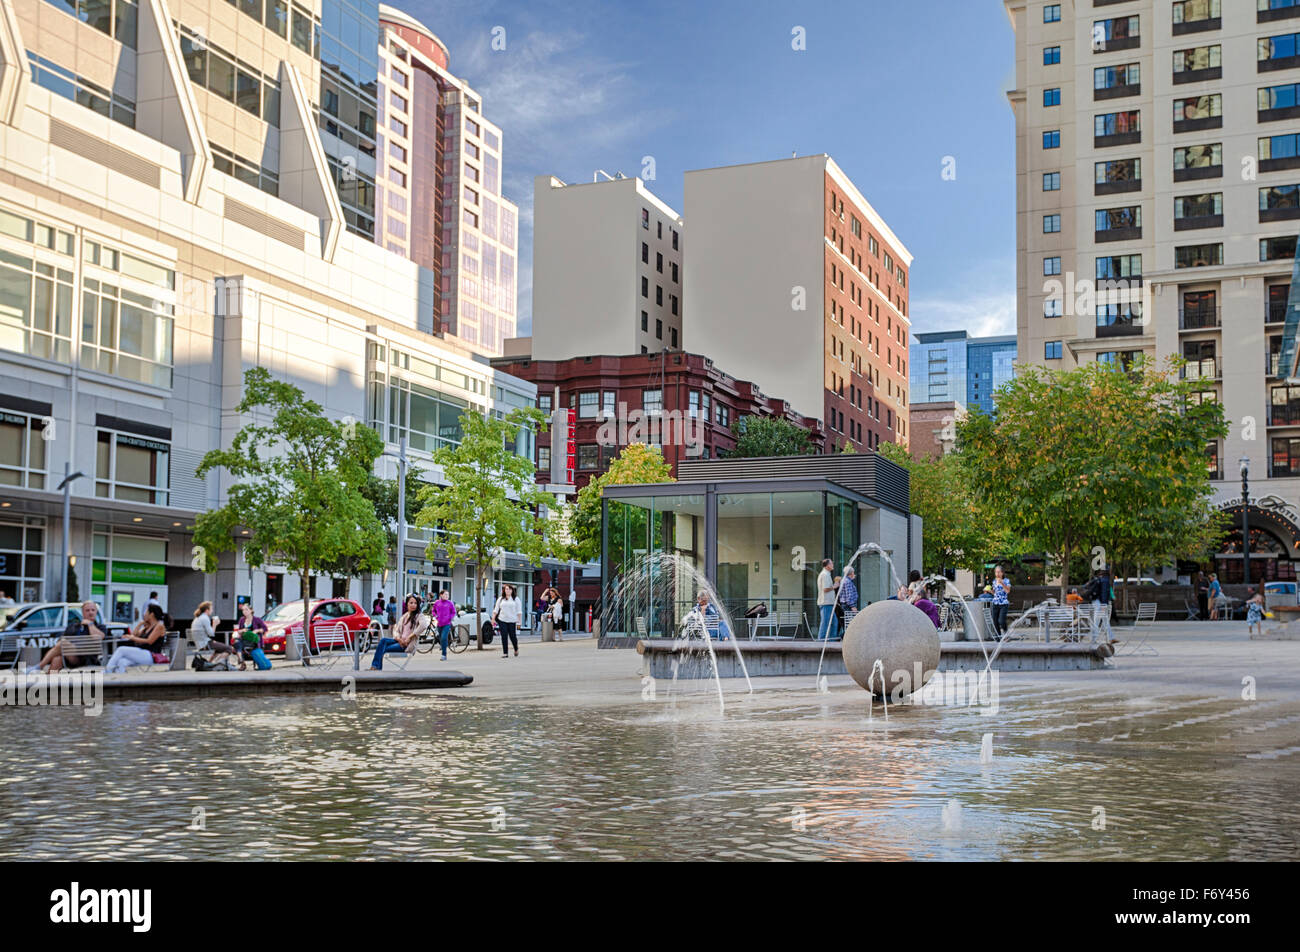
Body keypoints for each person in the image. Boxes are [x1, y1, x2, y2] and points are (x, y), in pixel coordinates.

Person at [35, 601, 105, 673]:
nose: (90, 612)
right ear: (83, 612)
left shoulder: (100, 627)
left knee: (62, 643)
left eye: (93, 610)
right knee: (57, 659)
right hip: (73, 657)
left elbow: (98, 638)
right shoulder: (74, 626)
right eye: (87, 610)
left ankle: (39, 666)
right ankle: (50, 682)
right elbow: (62, 638)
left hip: (88, 659)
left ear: (96, 612)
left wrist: (90, 624)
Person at [106, 604, 168, 672]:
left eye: (146, 612)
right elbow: (134, 634)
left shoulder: (159, 626)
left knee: (121, 650)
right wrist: (139, 624)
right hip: (142, 653)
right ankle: (120, 680)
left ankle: (107, 671)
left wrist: (132, 638)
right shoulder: (147, 627)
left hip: (151, 655)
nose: (144, 614)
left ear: (151, 614)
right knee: (122, 662)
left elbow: (149, 641)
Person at [370, 594, 425, 669]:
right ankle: (375, 667)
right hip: (399, 641)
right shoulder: (405, 616)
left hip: (407, 645)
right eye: (411, 603)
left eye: (415, 603)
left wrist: (410, 637)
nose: (413, 605)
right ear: (407, 604)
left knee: (382, 648)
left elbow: (423, 626)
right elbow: (396, 630)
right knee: (383, 641)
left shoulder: (419, 616)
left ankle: (376, 667)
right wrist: (399, 639)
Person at [191, 601, 242, 669]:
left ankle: (209, 663)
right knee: (229, 648)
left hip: (200, 642)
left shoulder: (198, 618)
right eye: (211, 609)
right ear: (207, 610)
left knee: (219, 649)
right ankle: (216, 664)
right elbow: (211, 633)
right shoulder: (205, 618)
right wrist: (215, 624)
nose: (212, 611)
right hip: (205, 643)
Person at [1084, 566, 1114, 641]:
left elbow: (1085, 586)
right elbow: (1104, 592)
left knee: (1104, 620)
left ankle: (1111, 637)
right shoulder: (1105, 580)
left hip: (1095, 602)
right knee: (1097, 620)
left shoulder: (1098, 578)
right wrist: (1104, 604)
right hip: (1100, 604)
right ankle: (1094, 638)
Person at [493, 583, 522, 658]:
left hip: (512, 620)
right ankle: (505, 653)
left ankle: (516, 648)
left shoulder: (516, 599)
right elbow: (496, 609)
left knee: (513, 636)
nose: (507, 590)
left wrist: (519, 622)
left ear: (512, 590)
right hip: (502, 619)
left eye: (509, 589)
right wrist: (493, 619)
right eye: (506, 589)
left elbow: (519, 612)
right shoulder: (501, 599)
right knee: (504, 636)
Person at [816, 558, 838, 640]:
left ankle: (831, 640)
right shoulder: (824, 575)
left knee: (833, 622)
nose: (833, 565)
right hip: (825, 603)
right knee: (825, 623)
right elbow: (825, 589)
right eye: (831, 564)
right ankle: (821, 641)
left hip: (829, 603)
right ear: (827, 565)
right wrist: (834, 586)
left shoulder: (826, 574)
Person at [432, 589, 457, 660]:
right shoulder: (437, 602)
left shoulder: (450, 603)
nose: (447, 596)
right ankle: (444, 646)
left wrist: (450, 617)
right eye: (445, 594)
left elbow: (453, 612)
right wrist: (436, 616)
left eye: (448, 595)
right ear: (441, 595)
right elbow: (433, 610)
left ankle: (444, 654)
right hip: (439, 623)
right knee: (441, 639)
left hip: (447, 623)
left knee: (443, 637)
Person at [990, 564, 1011, 639]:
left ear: (1002, 573)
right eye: (996, 572)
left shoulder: (1006, 581)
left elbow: (1008, 591)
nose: (997, 574)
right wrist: (990, 591)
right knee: (995, 622)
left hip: (1003, 603)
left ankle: (1006, 633)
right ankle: (998, 638)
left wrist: (1002, 583)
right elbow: (995, 593)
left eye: (999, 572)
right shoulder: (994, 581)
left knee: (1001, 621)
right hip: (995, 603)